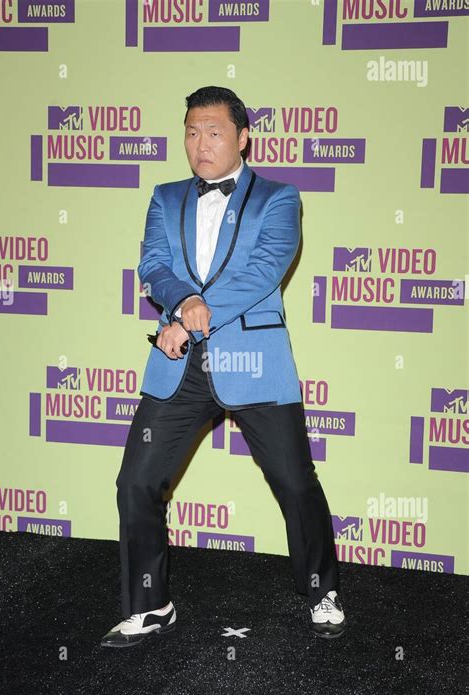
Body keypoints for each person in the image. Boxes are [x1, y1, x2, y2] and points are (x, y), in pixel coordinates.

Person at [101, 86, 346, 648]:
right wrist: (183, 305)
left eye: (213, 132)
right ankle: (151, 603)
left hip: (253, 363)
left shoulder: (279, 199)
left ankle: (320, 590)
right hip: (180, 368)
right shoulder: (164, 197)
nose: (200, 144)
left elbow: (261, 273)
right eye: (191, 132)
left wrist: (187, 317)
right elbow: (153, 265)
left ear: (242, 137)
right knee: (137, 480)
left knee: (294, 483)